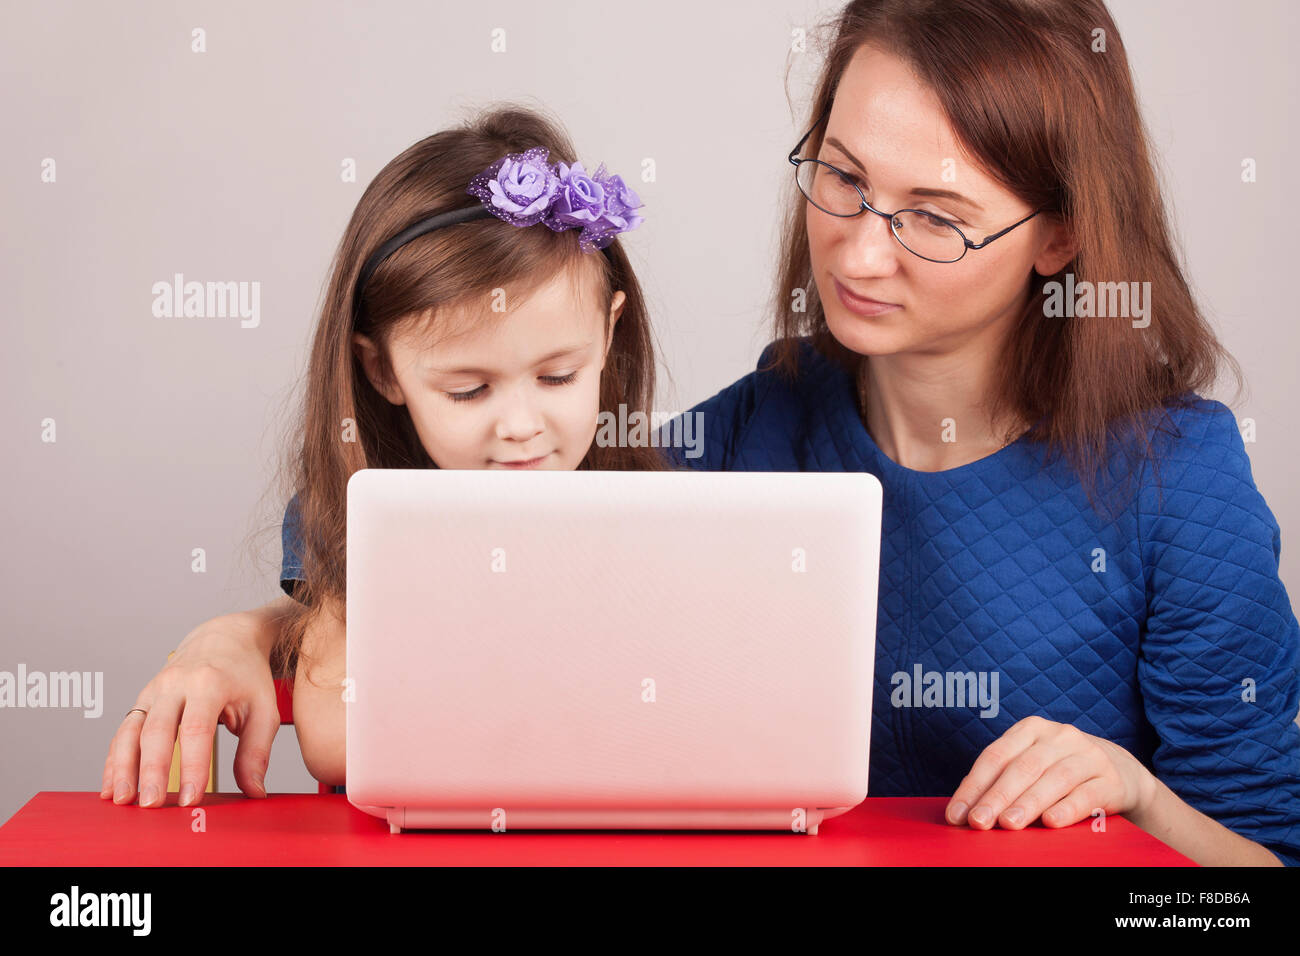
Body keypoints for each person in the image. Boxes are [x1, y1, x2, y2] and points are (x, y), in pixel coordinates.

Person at [107, 0, 1300, 867]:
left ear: (1059, 237)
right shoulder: (751, 436)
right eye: (839, 177)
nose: (858, 247)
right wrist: (240, 633)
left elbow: (1263, 870)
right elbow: (467, 518)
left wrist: (1136, 796)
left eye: (934, 217)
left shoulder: (1175, 482)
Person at [100, 104, 665, 807]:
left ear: (608, 335)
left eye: (558, 377)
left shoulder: (658, 504)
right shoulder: (354, 514)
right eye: (468, 389)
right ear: (383, 372)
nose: (521, 425)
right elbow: (334, 737)